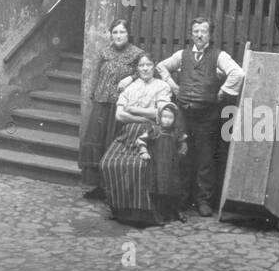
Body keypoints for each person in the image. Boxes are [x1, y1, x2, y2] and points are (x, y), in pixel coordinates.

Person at [155, 16, 245, 217]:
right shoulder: (182, 55)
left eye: (203, 31)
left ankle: (203, 201)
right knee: (184, 156)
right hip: (184, 115)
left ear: (210, 35)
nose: (199, 35)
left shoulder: (219, 56)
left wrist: (222, 92)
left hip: (207, 117)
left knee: (205, 160)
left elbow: (238, 73)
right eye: (196, 31)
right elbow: (161, 66)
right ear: (191, 34)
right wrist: (174, 87)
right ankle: (182, 200)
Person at [99, 55, 174, 225]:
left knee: (139, 165)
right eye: (141, 65)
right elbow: (119, 115)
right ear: (137, 68)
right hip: (127, 133)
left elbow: (161, 114)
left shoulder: (162, 86)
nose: (145, 68)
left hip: (151, 136)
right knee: (107, 163)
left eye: (149, 64)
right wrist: (144, 116)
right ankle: (120, 210)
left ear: (154, 66)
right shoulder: (130, 87)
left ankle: (142, 213)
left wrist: (132, 109)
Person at [79, 19, 145, 197]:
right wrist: (94, 94)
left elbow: (146, 70)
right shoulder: (104, 52)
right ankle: (96, 186)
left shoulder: (137, 54)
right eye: (115, 32)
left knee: (113, 142)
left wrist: (131, 78)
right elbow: (96, 74)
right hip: (101, 103)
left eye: (122, 32)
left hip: (121, 105)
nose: (118, 36)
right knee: (96, 140)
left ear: (128, 34)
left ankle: (112, 188)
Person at [143, 102, 188, 222]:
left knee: (173, 186)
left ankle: (176, 209)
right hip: (157, 164)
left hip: (171, 164)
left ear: (174, 119)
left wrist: (182, 152)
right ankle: (158, 212)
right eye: (164, 117)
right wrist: (144, 151)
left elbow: (183, 144)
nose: (167, 120)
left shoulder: (176, 132)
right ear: (159, 117)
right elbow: (143, 140)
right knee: (157, 186)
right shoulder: (155, 130)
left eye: (170, 118)